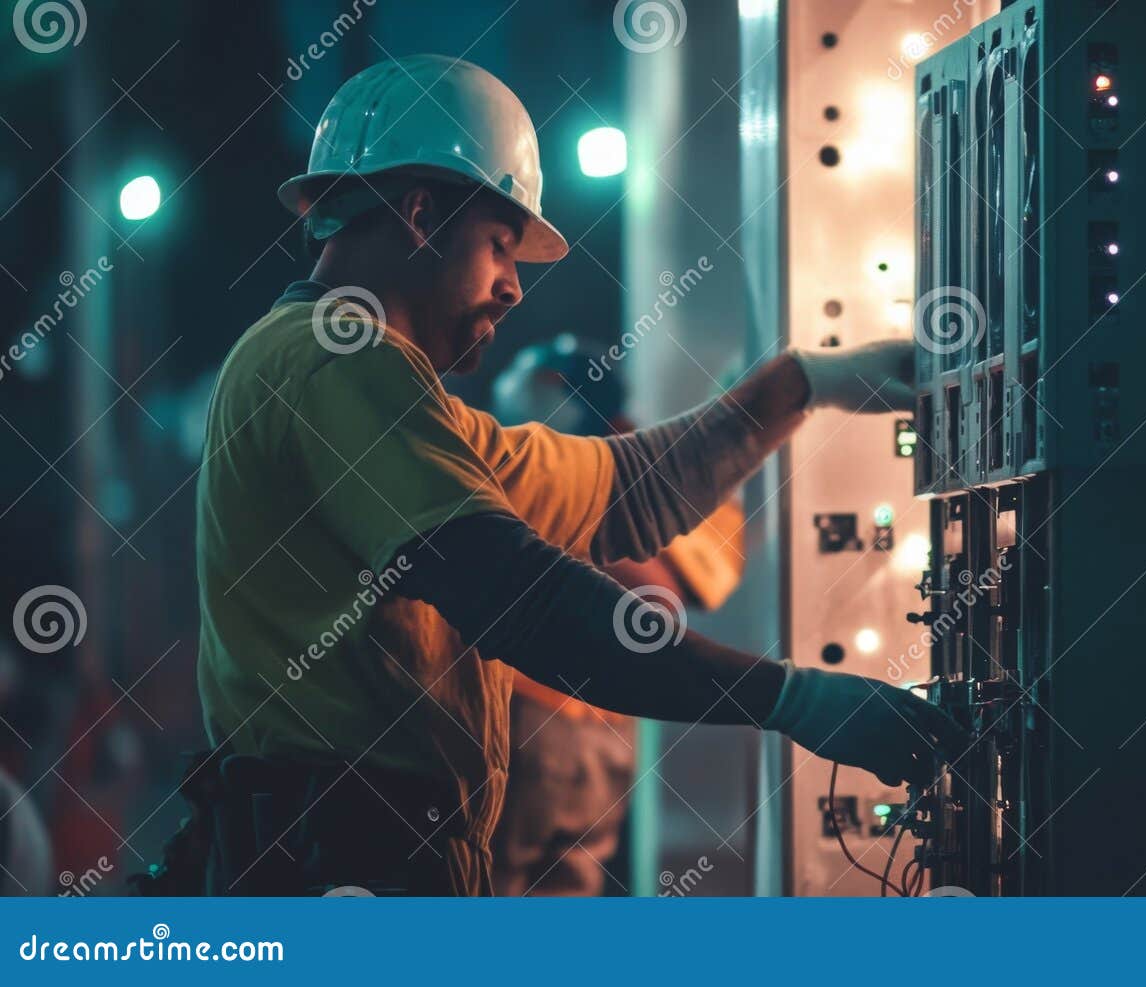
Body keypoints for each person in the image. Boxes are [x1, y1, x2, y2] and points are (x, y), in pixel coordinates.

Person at [186, 54, 962, 896]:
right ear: (419, 215)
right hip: (341, 870)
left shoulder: (396, 402)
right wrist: (791, 700)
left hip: (363, 864)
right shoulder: (331, 358)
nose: (512, 288)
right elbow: (523, 598)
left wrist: (808, 382)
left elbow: (627, 490)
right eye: (499, 245)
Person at [488, 337, 746, 896]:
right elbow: (662, 601)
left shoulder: (542, 481)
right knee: (525, 883)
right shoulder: (544, 487)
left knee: (531, 884)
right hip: (534, 716)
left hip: (578, 723)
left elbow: (667, 597)